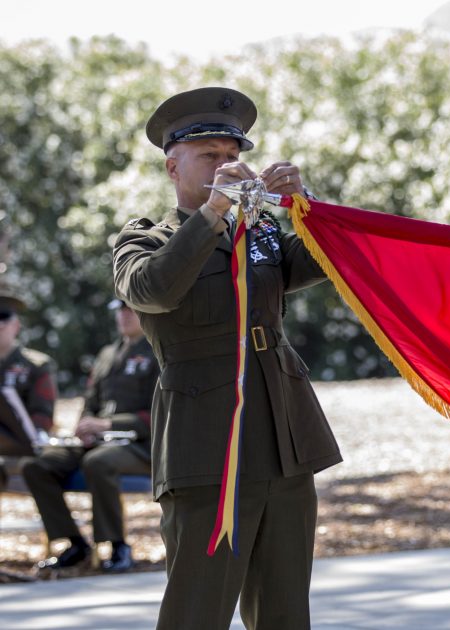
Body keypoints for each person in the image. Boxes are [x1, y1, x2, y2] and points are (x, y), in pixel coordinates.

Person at [112, 87, 342, 629]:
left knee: (286, 613)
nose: (226, 165)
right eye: (209, 155)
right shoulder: (144, 237)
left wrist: (306, 206)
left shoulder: (259, 229)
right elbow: (153, 290)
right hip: (206, 446)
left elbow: (327, 260)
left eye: (232, 155)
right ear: (173, 166)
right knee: (198, 611)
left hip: (285, 435)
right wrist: (214, 210)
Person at [21, 299, 157, 572]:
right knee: (37, 465)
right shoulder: (108, 354)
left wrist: (107, 423)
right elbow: (91, 399)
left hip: (141, 445)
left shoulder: (158, 350)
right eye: (120, 310)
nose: (124, 315)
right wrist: (84, 426)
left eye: (130, 309)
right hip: (99, 442)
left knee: (99, 462)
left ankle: (117, 545)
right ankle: (74, 543)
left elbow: (160, 412)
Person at [0, 287, 56, 490]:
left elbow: (43, 416)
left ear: (16, 325)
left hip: (22, 447)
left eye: (3, 318)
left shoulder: (36, 364)